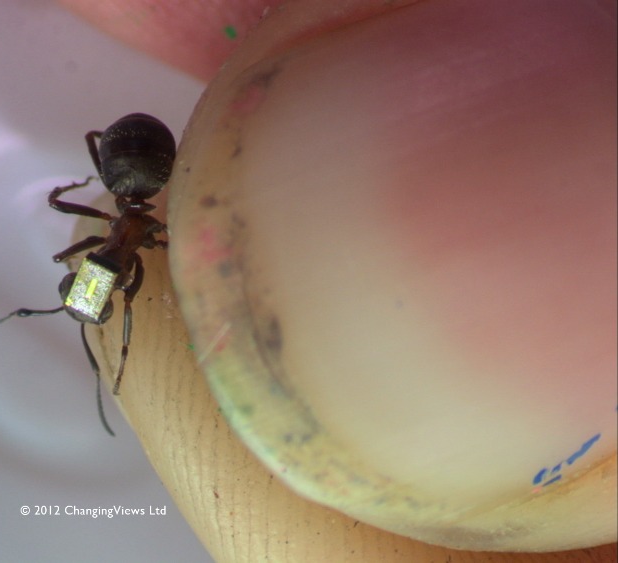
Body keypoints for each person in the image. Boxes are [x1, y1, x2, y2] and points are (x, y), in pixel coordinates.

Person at [60, 0, 618, 560]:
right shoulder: (120, 243)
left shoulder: (132, 248)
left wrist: (126, 352)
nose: (101, 291)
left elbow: (119, 286)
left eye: (86, 288)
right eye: (93, 297)